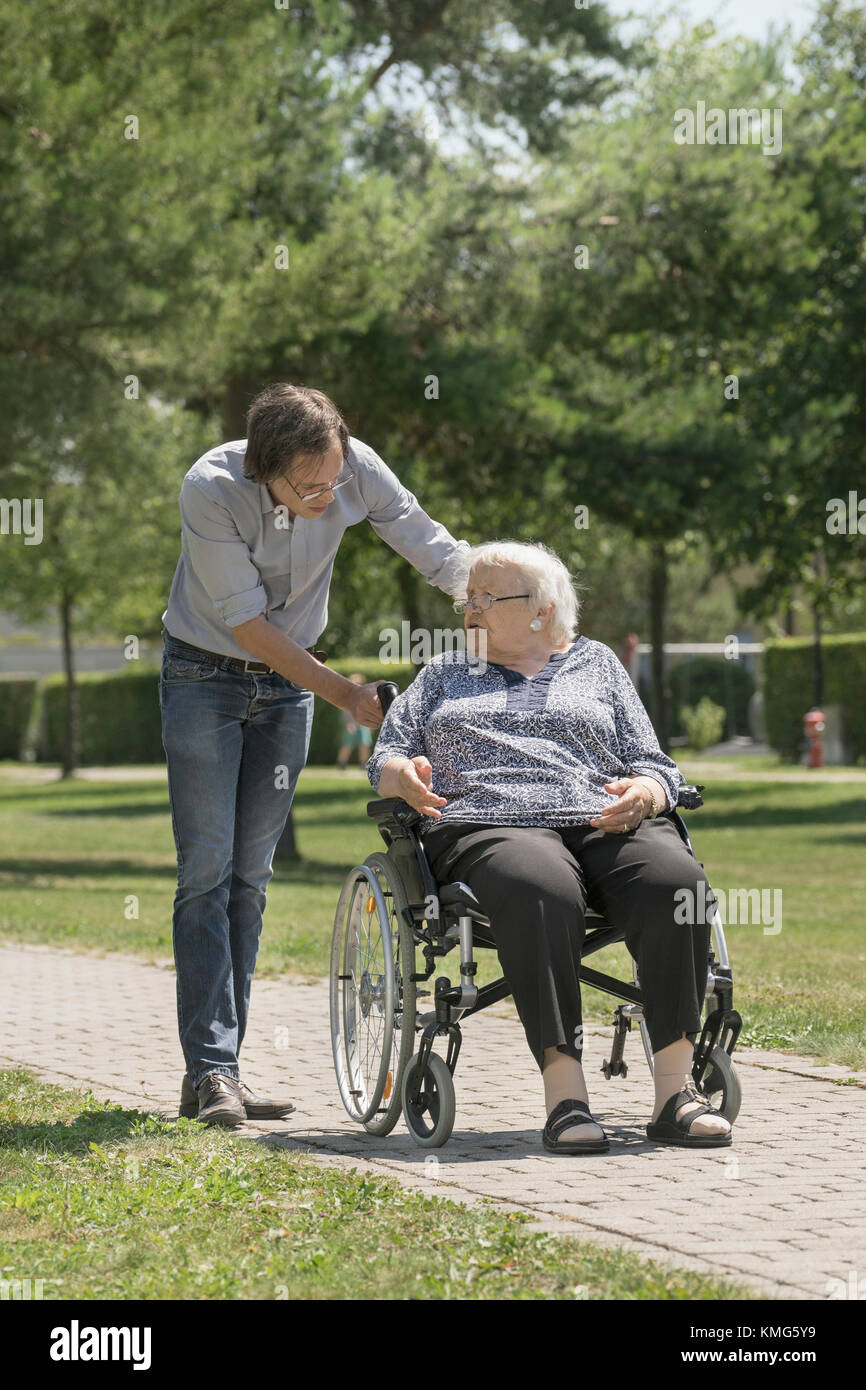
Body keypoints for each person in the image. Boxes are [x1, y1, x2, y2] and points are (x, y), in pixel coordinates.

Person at [160, 384, 468, 1126]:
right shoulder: (211, 489)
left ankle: (218, 1069)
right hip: (206, 676)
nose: (329, 497)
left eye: (335, 481)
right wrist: (348, 696)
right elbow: (249, 628)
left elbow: (426, 540)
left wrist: (499, 599)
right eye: (310, 487)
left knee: (251, 877)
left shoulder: (350, 466)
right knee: (207, 869)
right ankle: (211, 1071)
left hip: (286, 694)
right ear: (265, 468)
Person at [367, 539, 733, 1152]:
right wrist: (399, 774)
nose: (470, 610)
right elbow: (387, 752)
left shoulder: (598, 665)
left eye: (487, 597)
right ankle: (566, 1097)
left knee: (677, 885)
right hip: (492, 823)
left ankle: (676, 1092)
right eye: (468, 598)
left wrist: (646, 791)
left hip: (603, 818)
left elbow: (652, 760)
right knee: (540, 885)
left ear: (541, 609)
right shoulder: (442, 674)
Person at [337, 674, 373, 769]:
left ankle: (364, 764)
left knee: (364, 745)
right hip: (351, 724)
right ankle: (341, 763)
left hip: (363, 724)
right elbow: (344, 712)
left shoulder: (366, 696)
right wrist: (348, 724)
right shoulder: (346, 696)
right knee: (347, 745)